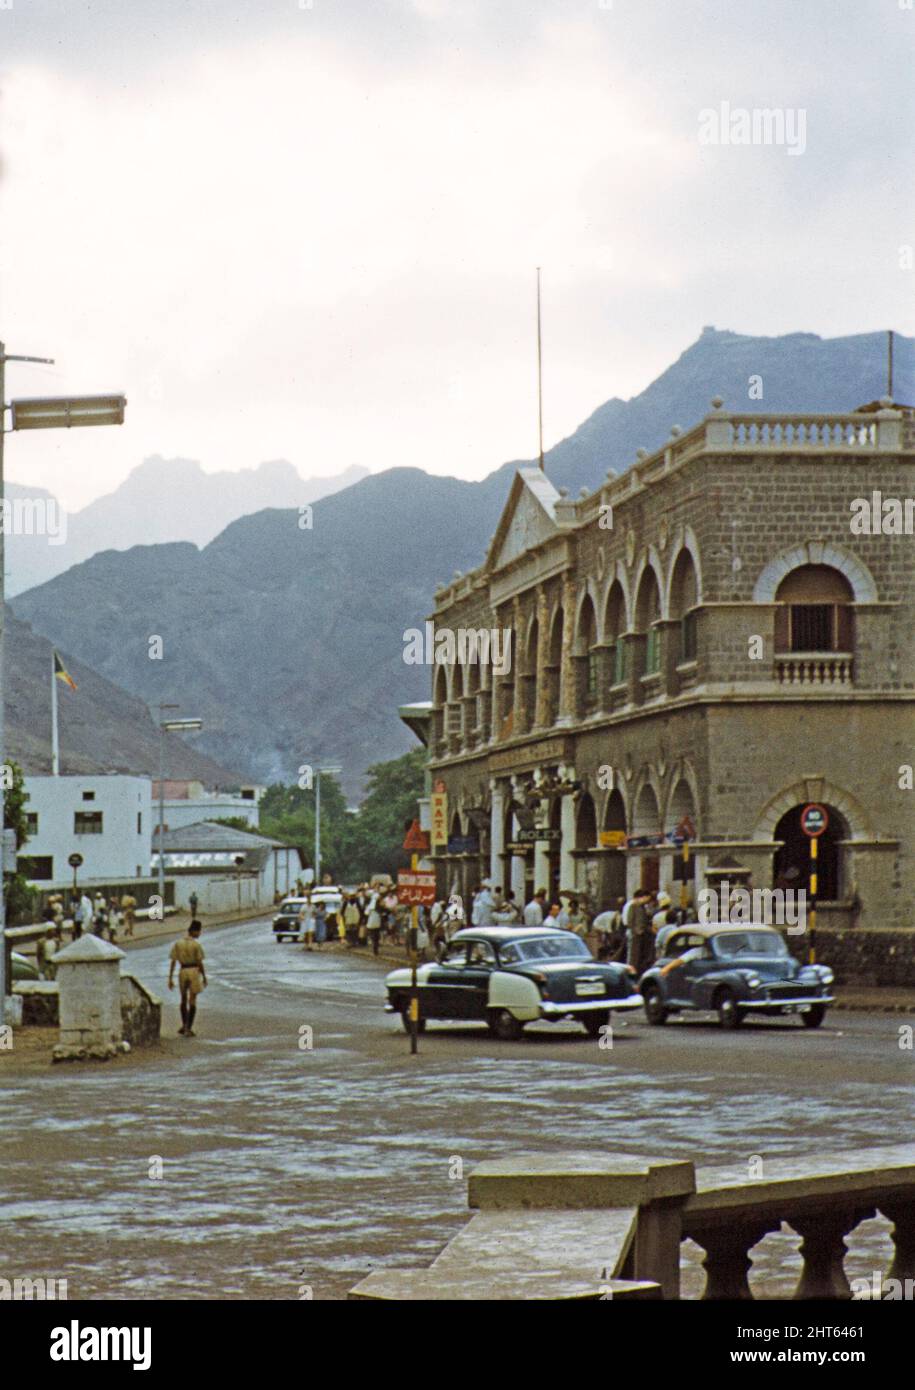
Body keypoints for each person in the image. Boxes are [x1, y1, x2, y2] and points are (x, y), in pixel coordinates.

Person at [168, 920, 207, 1036]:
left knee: (183, 999)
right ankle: (188, 1028)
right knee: (192, 1000)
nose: (199, 934)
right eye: (199, 931)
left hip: (183, 971)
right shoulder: (196, 945)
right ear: (194, 931)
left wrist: (170, 978)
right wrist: (204, 976)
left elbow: (173, 961)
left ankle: (184, 1025)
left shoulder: (178, 943)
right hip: (193, 971)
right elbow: (200, 962)